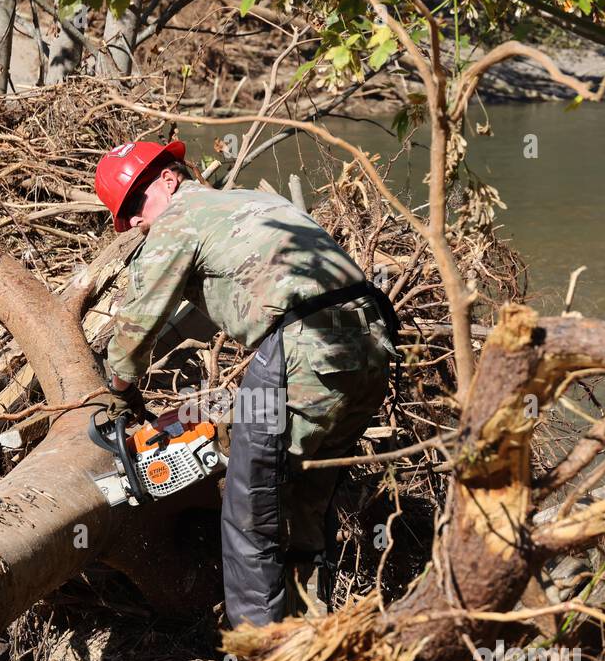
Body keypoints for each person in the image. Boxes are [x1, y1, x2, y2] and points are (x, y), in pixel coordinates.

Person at [94, 139, 398, 627]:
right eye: (122, 214)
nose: (131, 221)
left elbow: (136, 323)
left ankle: (258, 655)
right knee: (303, 499)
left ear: (170, 178)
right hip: (370, 347)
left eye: (135, 203)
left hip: (302, 345)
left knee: (248, 507)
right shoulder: (250, 202)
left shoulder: (180, 218)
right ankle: (313, 635)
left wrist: (121, 389)